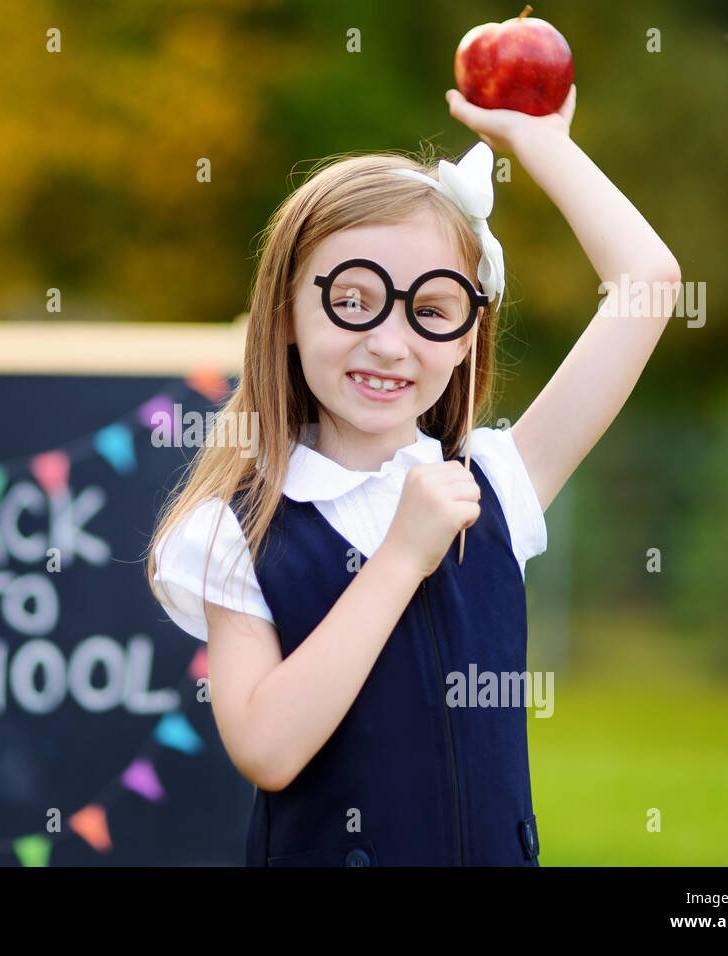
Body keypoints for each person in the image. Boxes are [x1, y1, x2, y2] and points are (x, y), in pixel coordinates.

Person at [145, 84, 680, 866]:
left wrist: (540, 143)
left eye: (431, 310)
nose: (391, 344)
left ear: (468, 335)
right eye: (353, 301)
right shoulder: (238, 527)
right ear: (288, 313)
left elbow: (649, 283)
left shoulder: (499, 482)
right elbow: (266, 747)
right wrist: (400, 556)